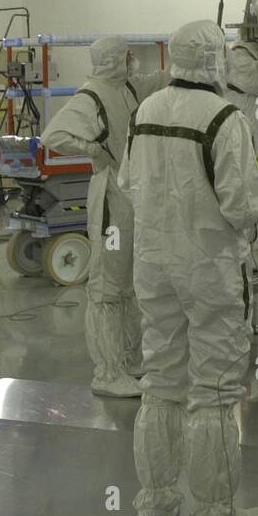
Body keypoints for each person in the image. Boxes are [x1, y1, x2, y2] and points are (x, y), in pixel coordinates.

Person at [118, 20, 258, 516]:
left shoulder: (146, 111)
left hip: (153, 266)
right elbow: (242, 205)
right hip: (208, 271)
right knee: (212, 391)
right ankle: (214, 513)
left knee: (160, 381)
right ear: (216, 61)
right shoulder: (225, 118)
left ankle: (154, 504)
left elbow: (129, 183)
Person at [40, 36, 167, 398]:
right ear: (113, 58)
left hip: (131, 197)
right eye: (126, 55)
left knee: (128, 281)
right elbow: (53, 135)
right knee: (108, 285)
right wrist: (95, 148)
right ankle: (107, 372)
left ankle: (128, 359)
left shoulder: (125, 86)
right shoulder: (91, 95)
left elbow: (160, 81)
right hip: (110, 199)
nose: (132, 60)